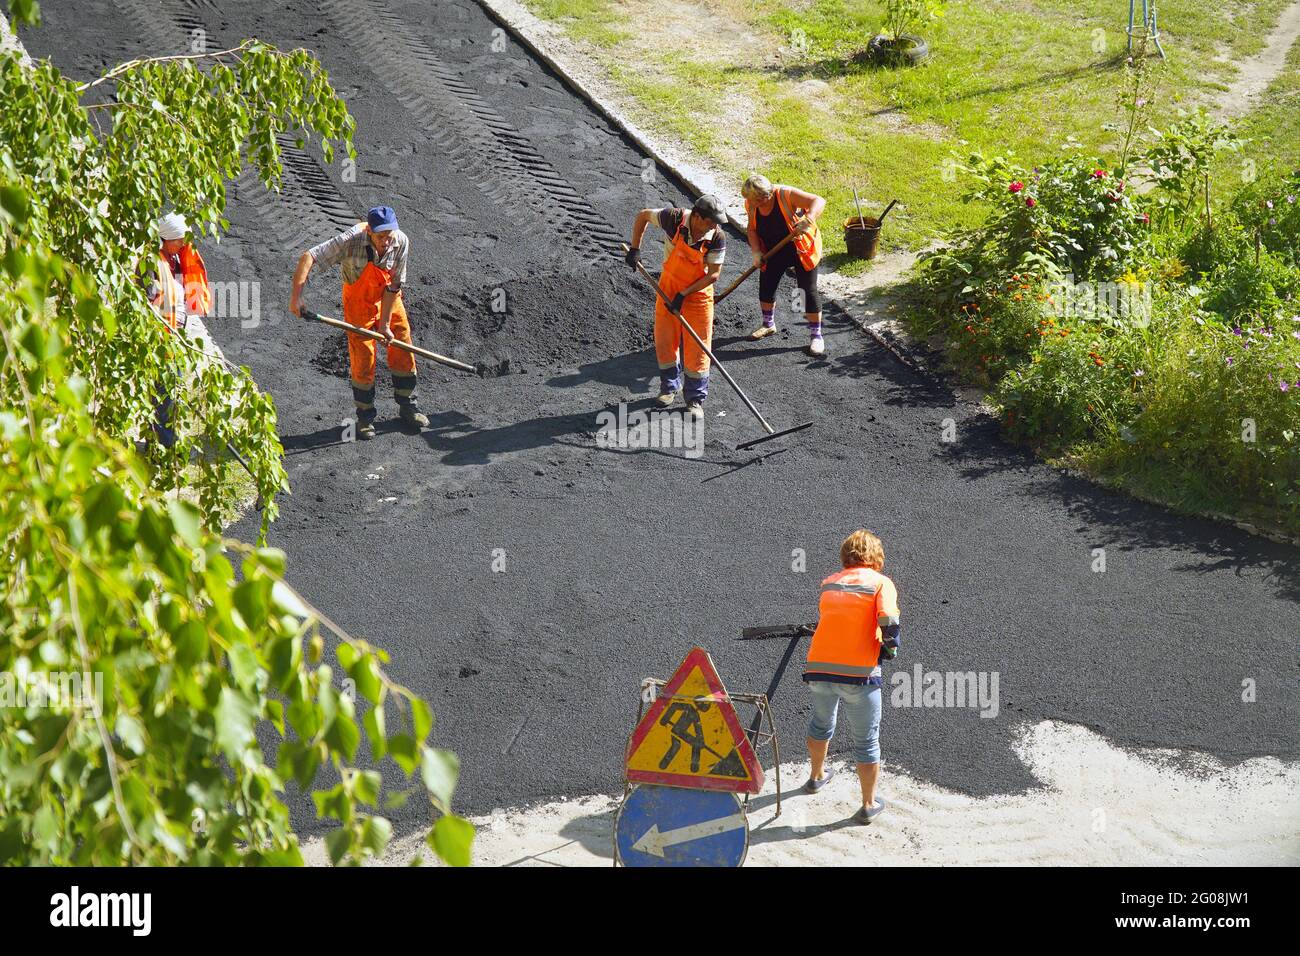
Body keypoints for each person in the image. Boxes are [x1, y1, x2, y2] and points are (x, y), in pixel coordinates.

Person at [289, 205, 428, 440]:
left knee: (402, 344)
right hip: (358, 302)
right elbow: (309, 257)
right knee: (363, 355)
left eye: (389, 235)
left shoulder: (400, 241)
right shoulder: (351, 240)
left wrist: (384, 325)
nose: (386, 241)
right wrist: (296, 297)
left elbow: (394, 286)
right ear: (370, 231)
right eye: (381, 236)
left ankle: (408, 406)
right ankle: (365, 418)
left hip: (389, 299)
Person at [801, 530, 901, 824]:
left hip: (819, 667)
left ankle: (816, 776)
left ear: (845, 556)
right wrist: (890, 650)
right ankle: (868, 804)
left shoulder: (828, 583)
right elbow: (889, 622)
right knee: (866, 740)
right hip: (859, 674)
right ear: (876, 557)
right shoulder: (881, 583)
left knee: (820, 723)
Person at [625, 195, 728, 419]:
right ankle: (669, 387)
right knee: (665, 338)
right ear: (698, 217)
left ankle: (694, 399)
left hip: (698, 294)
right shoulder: (673, 218)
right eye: (711, 222)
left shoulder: (716, 237)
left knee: (698, 346)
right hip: (668, 288)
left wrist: (684, 294)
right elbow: (643, 216)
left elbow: (713, 275)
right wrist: (635, 249)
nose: (714, 226)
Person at [740, 174, 827, 356]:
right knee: (766, 284)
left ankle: (816, 336)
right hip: (773, 248)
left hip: (800, 248)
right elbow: (752, 229)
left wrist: (809, 218)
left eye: (755, 201)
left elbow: (818, 200)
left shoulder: (786, 195)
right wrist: (756, 251)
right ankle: (768, 325)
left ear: (766, 196)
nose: (750, 204)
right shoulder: (751, 203)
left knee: (806, 290)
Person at [147, 212, 212, 447]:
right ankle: (166, 447)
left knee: (170, 393)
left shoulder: (176, 259)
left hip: (175, 337)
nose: (183, 244)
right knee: (164, 395)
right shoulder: (151, 264)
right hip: (161, 340)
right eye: (179, 240)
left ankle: (161, 443)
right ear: (165, 239)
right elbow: (145, 304)